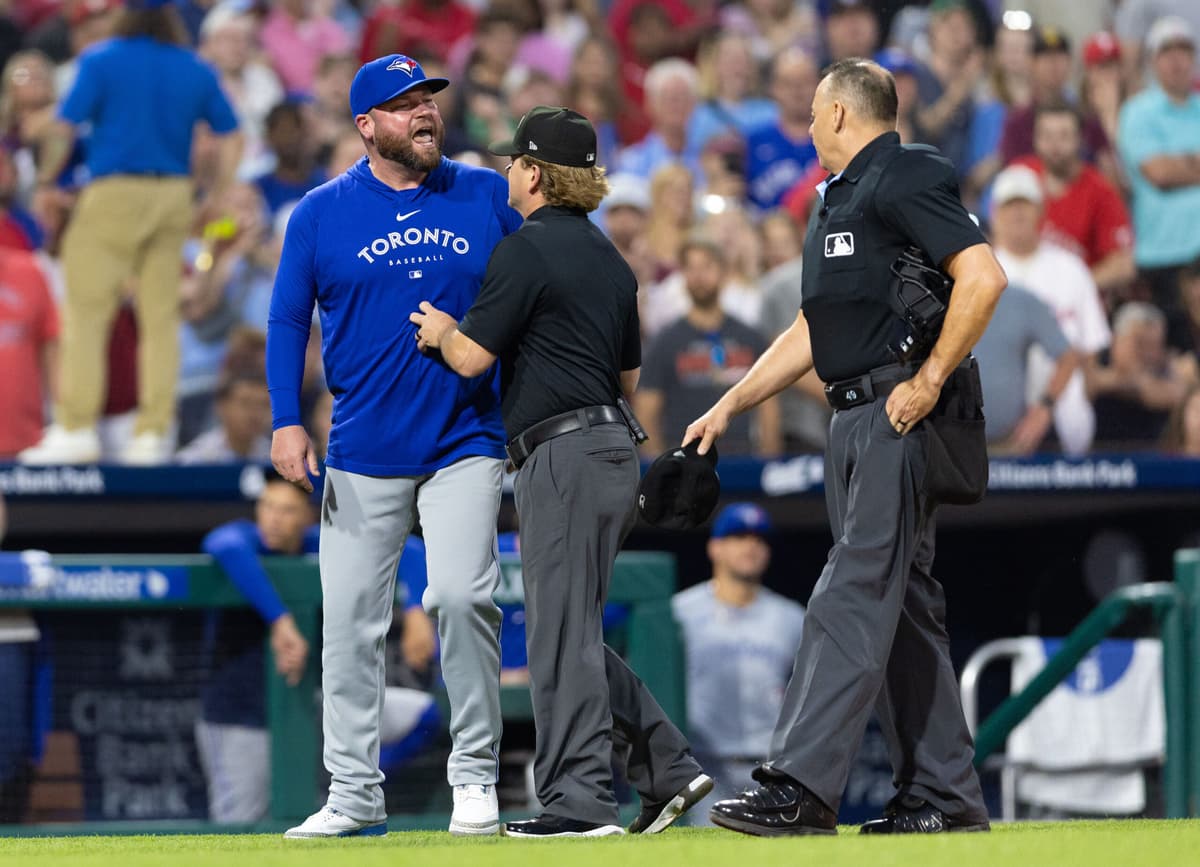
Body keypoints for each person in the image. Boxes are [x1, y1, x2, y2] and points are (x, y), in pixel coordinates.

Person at [685, 58, 1007, 836]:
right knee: (904, 610)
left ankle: (799, 784)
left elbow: (984, 275)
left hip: (896, 413)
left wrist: (929, 379)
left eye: (810, 113)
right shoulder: (837, 202)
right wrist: (733, 398)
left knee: (849, 591)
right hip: (851, 416)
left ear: (838, 115)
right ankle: (941, 792)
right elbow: (808, 330)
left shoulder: (903, 172)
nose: (803, 127)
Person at [410, 105, 712, 838]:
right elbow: (630, 376)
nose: (508, 171)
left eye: (514, 161)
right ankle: (667, 765)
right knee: (572, 629)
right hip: (614, 451)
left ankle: (579, 801)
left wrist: (445, 330)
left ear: (535, 173)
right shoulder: (612, 259)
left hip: (563, 454)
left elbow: (472, 359)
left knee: (557, 633)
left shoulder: (526, 249)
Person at [267, 53, 522, 839]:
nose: (423, 114)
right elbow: (286, 320)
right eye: (404, 104)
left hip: (465, 437)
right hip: (361, 444)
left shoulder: (483, 193)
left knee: (462, 595)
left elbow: (542, 278)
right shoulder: (318, 212)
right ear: (365, 125)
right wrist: (284, 417)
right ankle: (353, 791)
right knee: (345, 621)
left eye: (428, 101)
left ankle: (475, 776)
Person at [19, 0, 243, 466]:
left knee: (86, 313)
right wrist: (216, 194)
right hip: (174, 195)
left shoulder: (101, 59)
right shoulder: (194, 67)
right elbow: (232, 133)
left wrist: (43, 184)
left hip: (113, 191)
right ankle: (153, 435)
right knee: (160, 322)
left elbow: (63, 128)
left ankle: (79, 428)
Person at [196, 472, 439, 823]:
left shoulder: (319, 543)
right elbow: (222, 544)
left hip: (311, 708)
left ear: (308, 516)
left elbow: (410, 548)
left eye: (288, 510)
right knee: (239, 825)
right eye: (268, 507)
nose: (275, 519)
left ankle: (347, 788)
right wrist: (280, 620)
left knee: (422, 713)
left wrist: (416, 611)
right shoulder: (246, 541)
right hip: (241, 719)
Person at [672, 503, 805, 825]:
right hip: (704, 773)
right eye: (738, 536)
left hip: (772, 773)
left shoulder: (792, 618)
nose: (751, 546)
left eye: (759, 539)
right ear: (714, 547)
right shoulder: (680, 612)